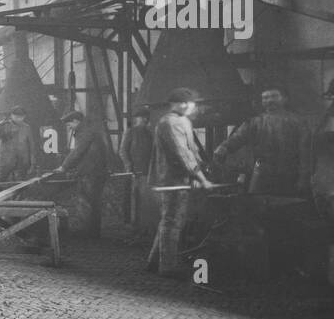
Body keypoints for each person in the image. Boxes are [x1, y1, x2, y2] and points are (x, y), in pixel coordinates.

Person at [148, 87, 215, 278]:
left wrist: (199, 174)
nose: (186, 105)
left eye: (189, 102)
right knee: (172, 222)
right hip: (171, 179)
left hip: (183, 178)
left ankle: (154, 262)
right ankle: (167, 266)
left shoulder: (183, 121)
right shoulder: (169, 122)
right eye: (181, 102)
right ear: (172, 104)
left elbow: (192, 150)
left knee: (169, 219)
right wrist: (201, 178)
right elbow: (183, 154)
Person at [213, 86, 311, 197]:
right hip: (262, 173)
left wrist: (304, 177)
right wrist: (224, 147)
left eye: (274, 96)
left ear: (284, 99)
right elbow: (238, 137)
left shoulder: (298, 122)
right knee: (258, 207)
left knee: (288, 208)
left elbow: (306, 152)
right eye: (265, 98)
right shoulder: (255, 122)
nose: (269, 100)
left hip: (290, 173)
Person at [55, 109, 113, 239]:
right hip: (96, 171)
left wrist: (64, 167)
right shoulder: (91, 129)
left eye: (69, 124)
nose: (69, 127)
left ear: (76, 121)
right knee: (94, 202)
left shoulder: (85, 131)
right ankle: (93, 232)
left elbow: (78, 151)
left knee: (86, 201)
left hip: (90, 172)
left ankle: (87, 233)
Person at [120, 106, 155, 231]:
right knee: (130, 197)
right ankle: (129, 223)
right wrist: (129, 167)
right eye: (141, 118)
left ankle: (141, 224)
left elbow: (152, 153)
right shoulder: (130, 132)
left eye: (145, 118)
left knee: (142, 199)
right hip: (132, 172)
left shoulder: (149, 134)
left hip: (145, 172)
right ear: (137, 119)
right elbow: (123, 151)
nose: (143, 120)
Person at [0, 106, 38, 182]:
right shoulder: (4, 125)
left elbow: (31, 146)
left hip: (21, 163)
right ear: (11, 116)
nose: (19, 118)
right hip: (4, 163)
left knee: (20, 187)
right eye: (16, 116)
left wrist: (33, 163)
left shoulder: (27, 128)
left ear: (24, 116)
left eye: (21, 116)